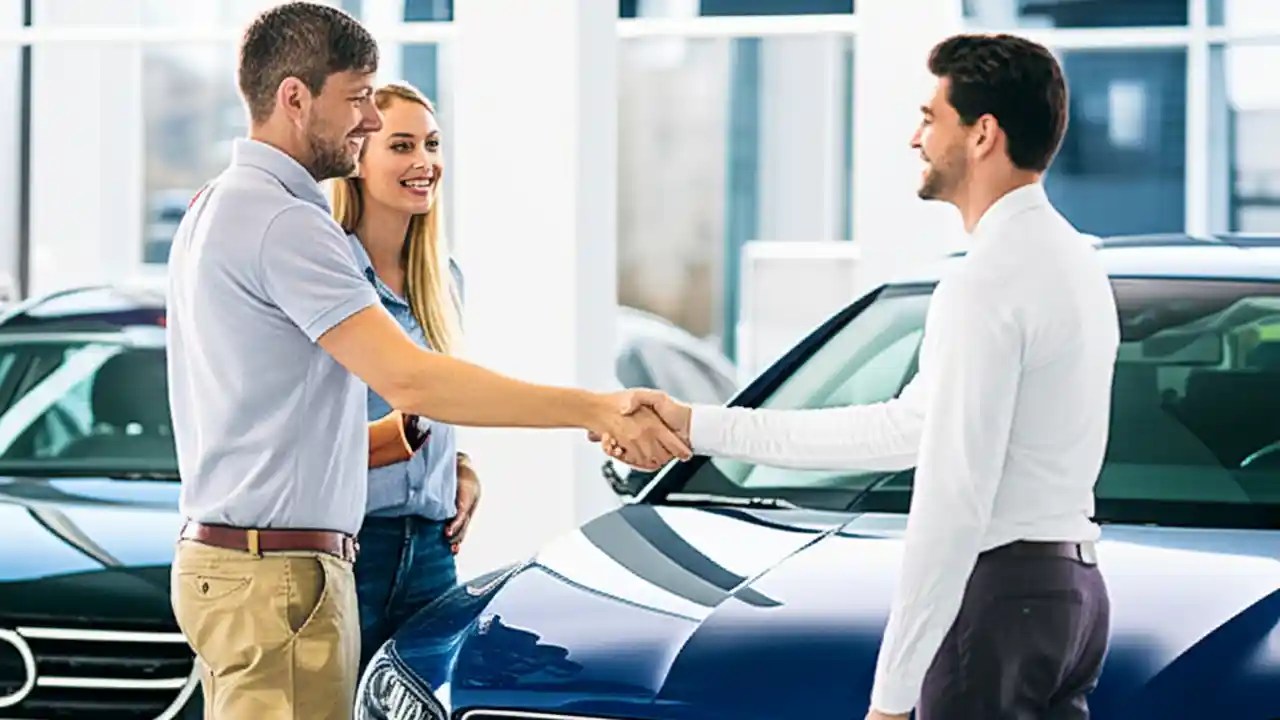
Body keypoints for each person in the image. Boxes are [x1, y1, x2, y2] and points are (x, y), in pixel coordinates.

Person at [164, 3, 688, 718]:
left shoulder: (220, 204)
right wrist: (596, 408)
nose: (370, 122)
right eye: (356, 99)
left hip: (256, 564)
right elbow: (409, 378)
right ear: (294, 97)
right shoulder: (286, 220)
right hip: (277, 572)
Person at [608, 33, 1118, 720]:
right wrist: (700, 425)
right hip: (1070, 598)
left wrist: (891, 695)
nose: (915, 138)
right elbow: (905, 428)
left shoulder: (987, 282)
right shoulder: (1076, 262)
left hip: (996, 599)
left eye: (931, 117)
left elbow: (953, 499)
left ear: (983, 134)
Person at [327, 80, 478, 670]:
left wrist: (458, 465)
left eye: (433, 145)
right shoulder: (329, 273)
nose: (424, 163)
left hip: (434, 550)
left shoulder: (446, 280)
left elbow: (439, 396)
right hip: (352, 547)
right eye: (402, 146)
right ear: (357, 156)